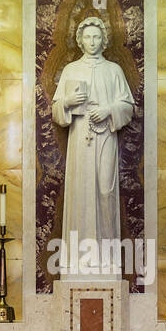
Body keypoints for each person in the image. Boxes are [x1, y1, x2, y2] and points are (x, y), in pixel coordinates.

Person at [51, 16, 134, 277]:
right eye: (87, 37)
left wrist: (109, 110)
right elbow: (56, 110)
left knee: (105, 192)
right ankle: (77, 259)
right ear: (80, 40)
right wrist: (66, 101)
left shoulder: (113, 71)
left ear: (104, 40)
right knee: (80, 191)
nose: (92, 42)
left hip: (106, 138)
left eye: (96, 37)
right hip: (79, 141)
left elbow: (128, 106)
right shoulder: (71, 70)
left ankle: (107, 259)